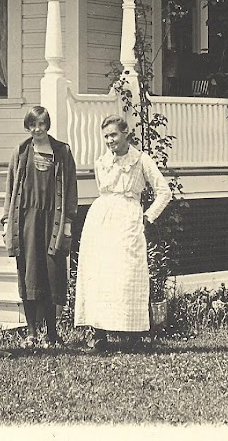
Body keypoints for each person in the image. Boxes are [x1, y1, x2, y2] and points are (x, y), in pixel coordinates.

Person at [74, 113, 171, 351]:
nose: (110, 140)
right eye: (106, 136)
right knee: (101, 275)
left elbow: (164, 191)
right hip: (101, 220)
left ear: (125, 133)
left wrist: (149, 216)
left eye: (114, 135)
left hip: (128, 219)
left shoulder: (141, 160)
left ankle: (134, 335)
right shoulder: (101, 162)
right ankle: (98, 334)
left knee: (128, 275)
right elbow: (103, 191)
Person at [1, 105, 79, 350]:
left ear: (48, 125)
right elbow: (10, 188)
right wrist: (6, 221)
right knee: (29, 275)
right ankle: (32, 332)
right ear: (28, 127)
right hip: (26, 222)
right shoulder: (21, 151)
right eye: (33, 125)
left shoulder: (62, 152)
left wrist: (67, 223)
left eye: (42, 124)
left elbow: (71, 190)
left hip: (53, 221)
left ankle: (52, 334)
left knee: (51, 275)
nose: (38, 129)